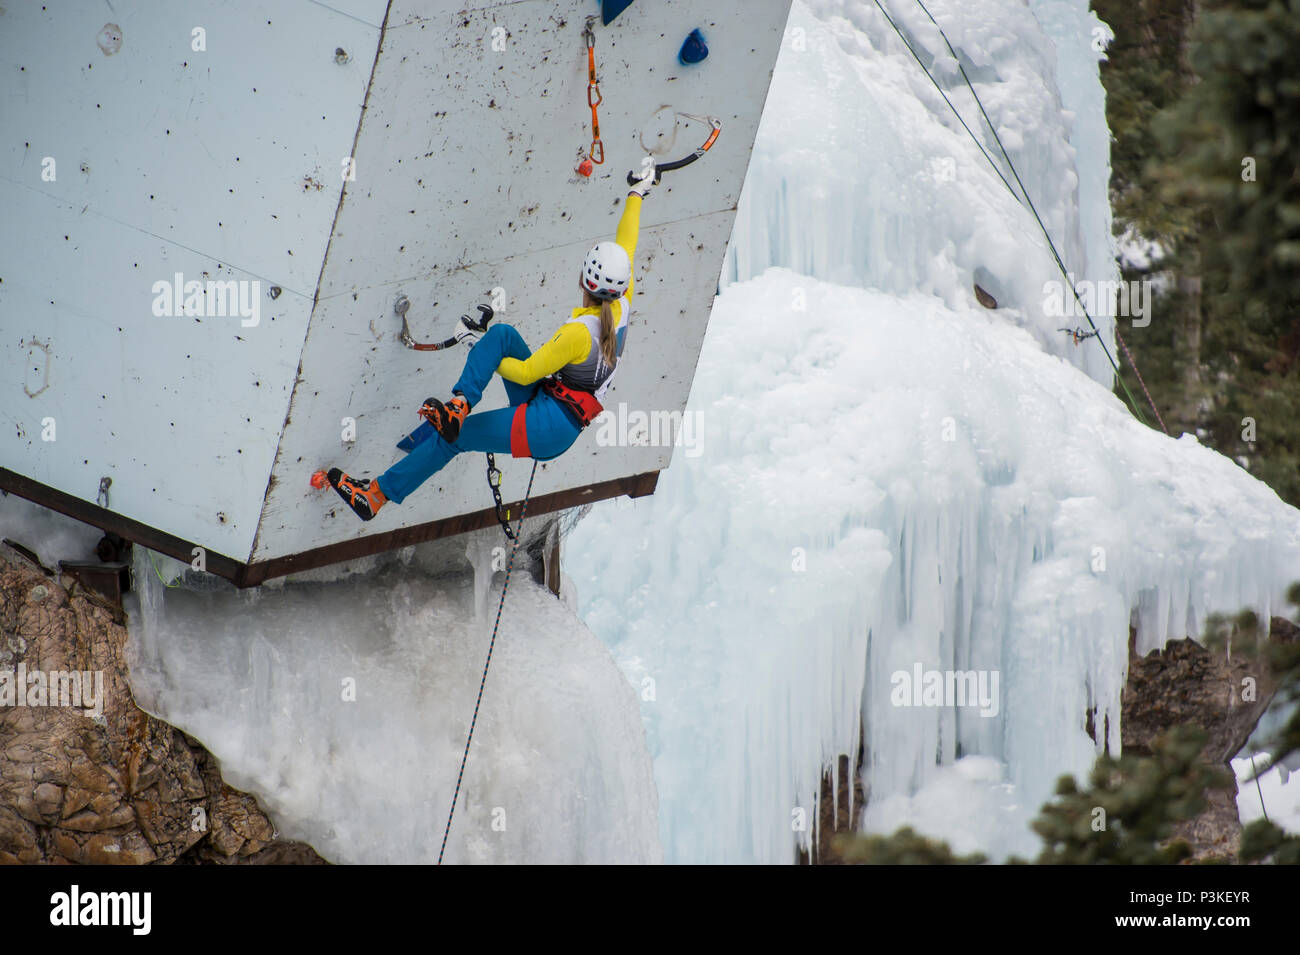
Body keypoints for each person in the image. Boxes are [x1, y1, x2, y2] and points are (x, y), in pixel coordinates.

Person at [326, 166, 656, 521]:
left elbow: (528, 372)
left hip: (547, 425)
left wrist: (472, 342)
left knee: (456, 439)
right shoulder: (622, 305)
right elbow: (628, 244)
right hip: (556, 411)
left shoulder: (578, 334)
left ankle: (375, 495)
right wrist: (637, 193)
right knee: (503, 336)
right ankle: (459, 404)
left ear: (582, 278)